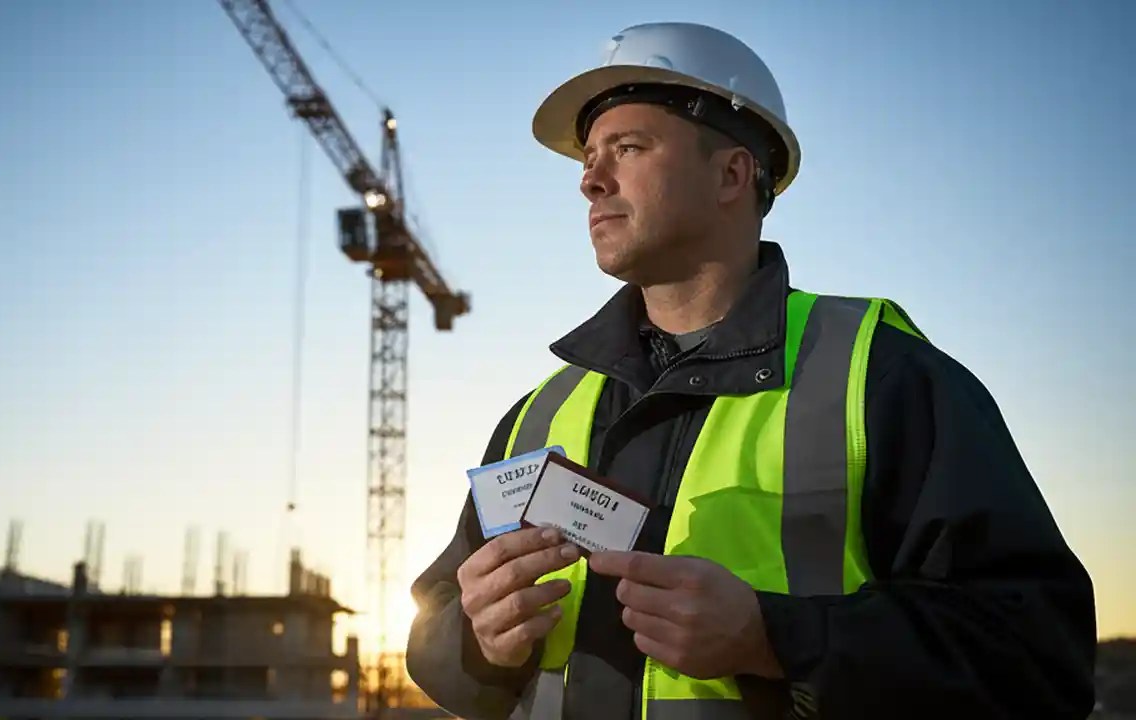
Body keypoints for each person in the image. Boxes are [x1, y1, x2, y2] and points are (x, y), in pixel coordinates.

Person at [405, 21, 1096, 720]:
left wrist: (778, 640)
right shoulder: (539, 415)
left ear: (732, 173)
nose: (590, 180)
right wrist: (477, 641)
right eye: (588, 157)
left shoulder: (883, 381)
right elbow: (435, 638)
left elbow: (1038, 662)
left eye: (628, 148)